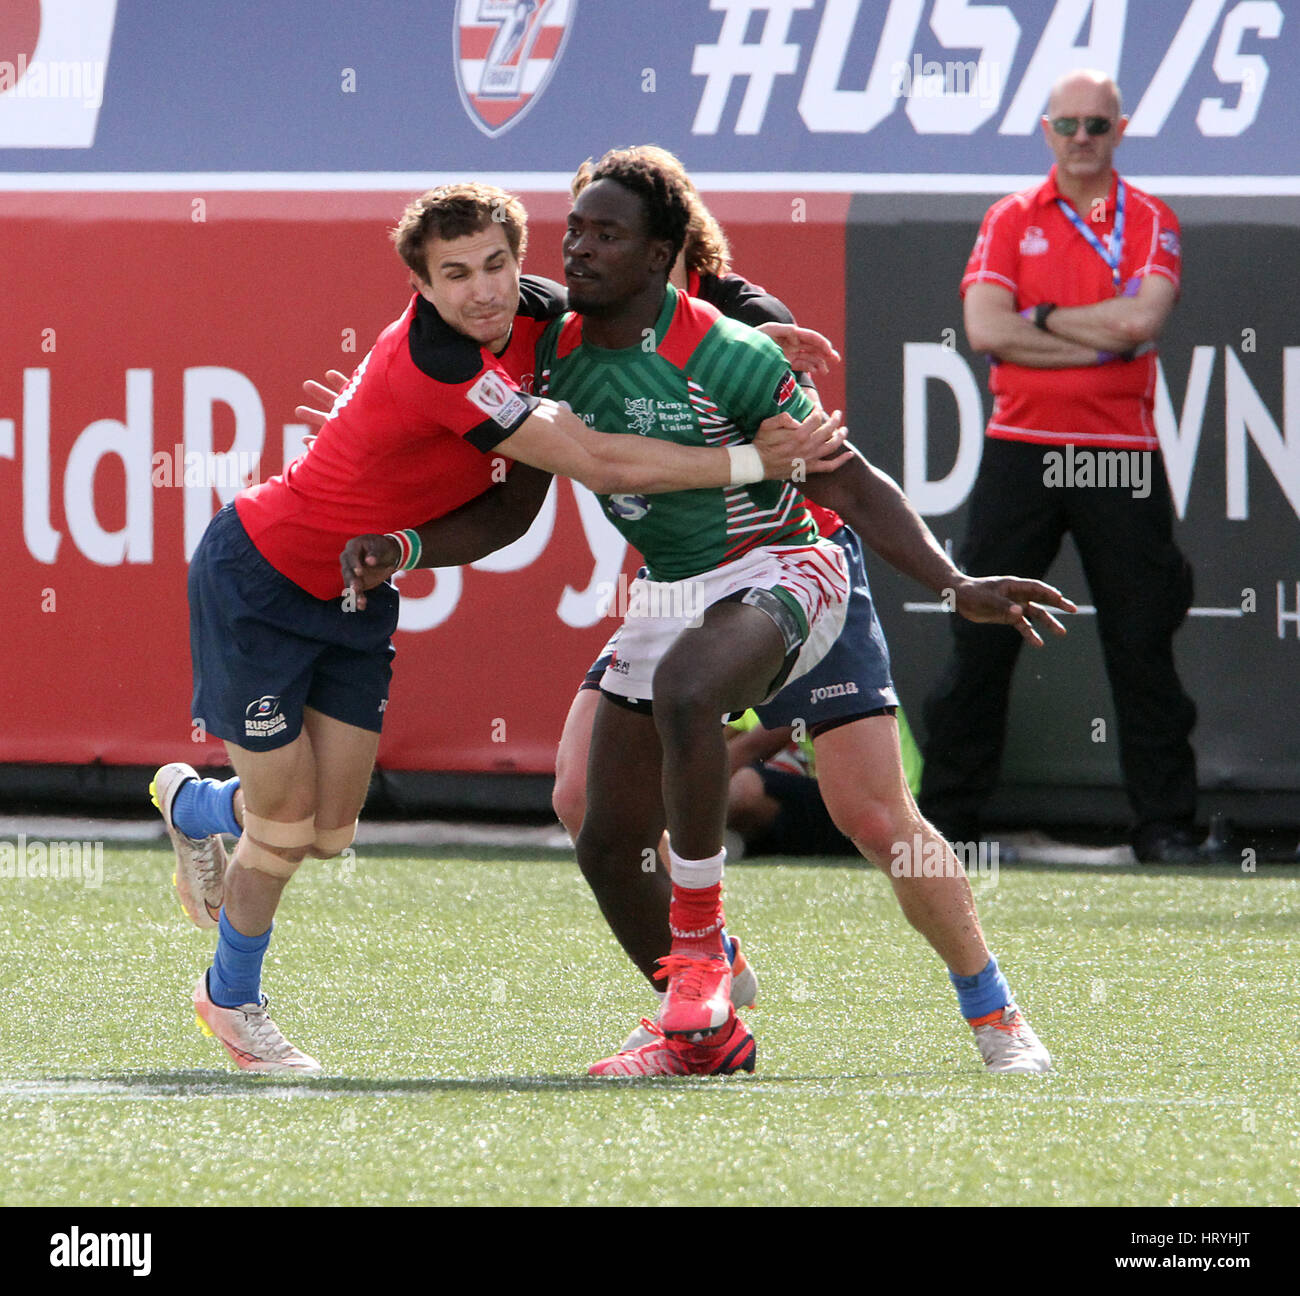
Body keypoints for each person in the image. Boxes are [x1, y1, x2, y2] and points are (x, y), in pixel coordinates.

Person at [339, 148, 1076, 1077]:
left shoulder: (726, 346)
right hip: (677, 590)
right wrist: (403, 536)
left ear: (663, 256)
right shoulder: (550, 347)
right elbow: (504, 483)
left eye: (607, 234)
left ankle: (990, 1010)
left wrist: (952, 580)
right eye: (574, 230)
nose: (578, 249)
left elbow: (844, 475)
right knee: (592, 815)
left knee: (875, 815)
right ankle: (701, 1025)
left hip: (792, 565)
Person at [150, 181, 847, 1075]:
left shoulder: (534, 314)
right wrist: (752, 456)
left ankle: (198, 805)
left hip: (361, 583)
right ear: (422, 286)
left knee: (331, 832)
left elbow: (655, 304)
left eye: (495, 265)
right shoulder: (439, 361)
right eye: (455, 275)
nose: (482, 290)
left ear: (519, 261)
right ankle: (231, 1000)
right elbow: (592, 457)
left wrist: (752, 334)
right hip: (263, 576)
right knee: (286, 830)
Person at [919, 69, 1201, 866]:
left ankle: (1165, 827)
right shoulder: (1011, 217)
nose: (1082, 139)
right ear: (1047, 129)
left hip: (1122, 454)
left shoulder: (1149, 218)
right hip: (1023, 447)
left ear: (1121, 129)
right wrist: (1094, 340)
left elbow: (1145, 317)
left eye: (1097, 126)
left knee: (1143, 640)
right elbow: (986, 331)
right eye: (1068, 124)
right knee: (982, 632)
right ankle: (945, 828)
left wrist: (1036, 322)